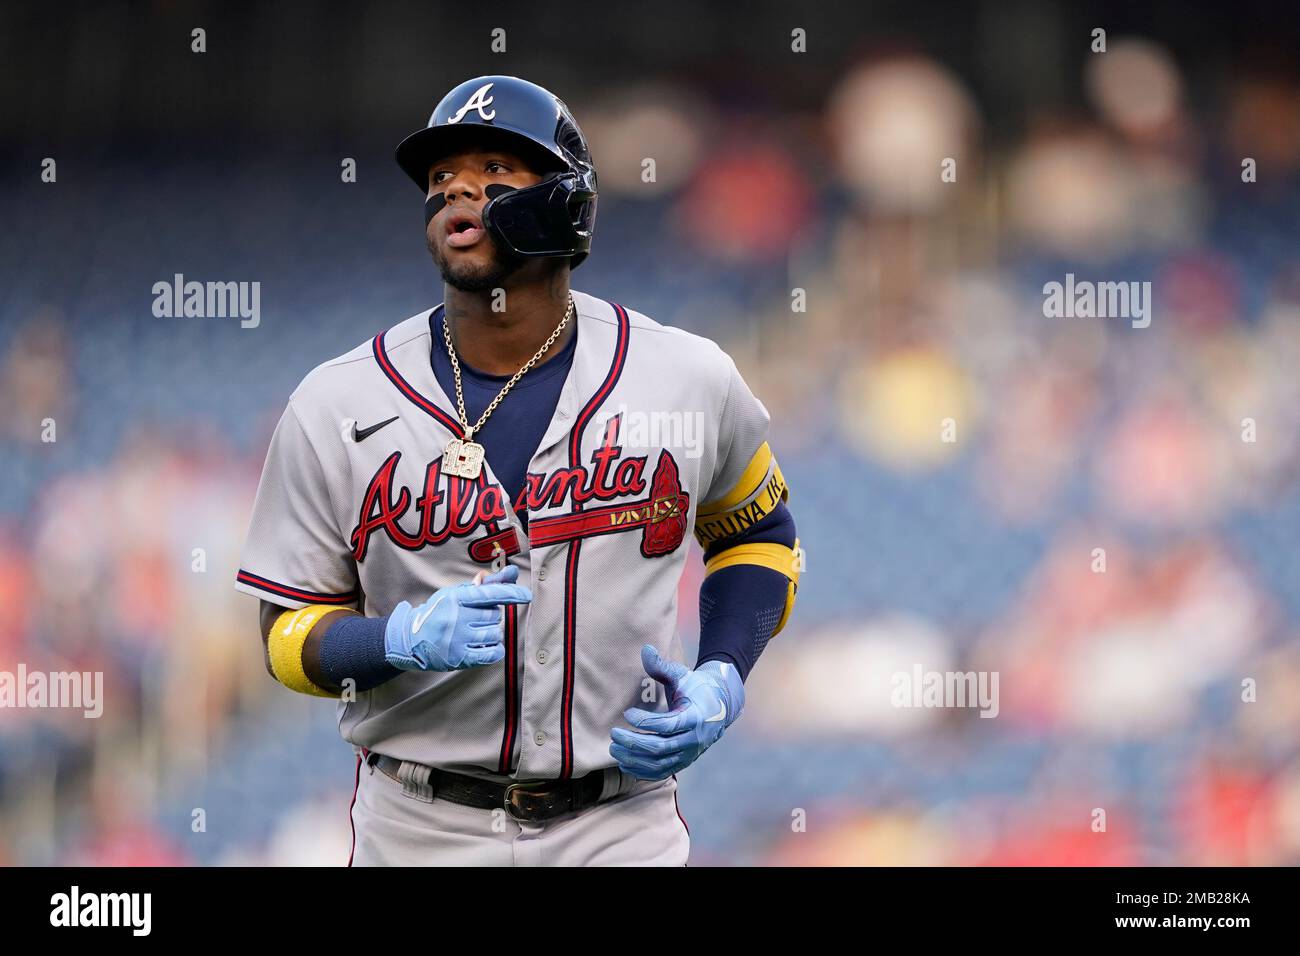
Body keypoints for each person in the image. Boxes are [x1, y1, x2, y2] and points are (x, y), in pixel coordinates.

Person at [235, 75, 802, 866]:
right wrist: (391, 639)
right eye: (441, 179)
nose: (459, 190)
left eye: (496, 172)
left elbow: (760, 538)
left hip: (619, 825)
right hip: (418, 825)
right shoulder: (336, 402)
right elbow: (286, 638)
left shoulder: (686, 377)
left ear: (569, 202)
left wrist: (723, 672)